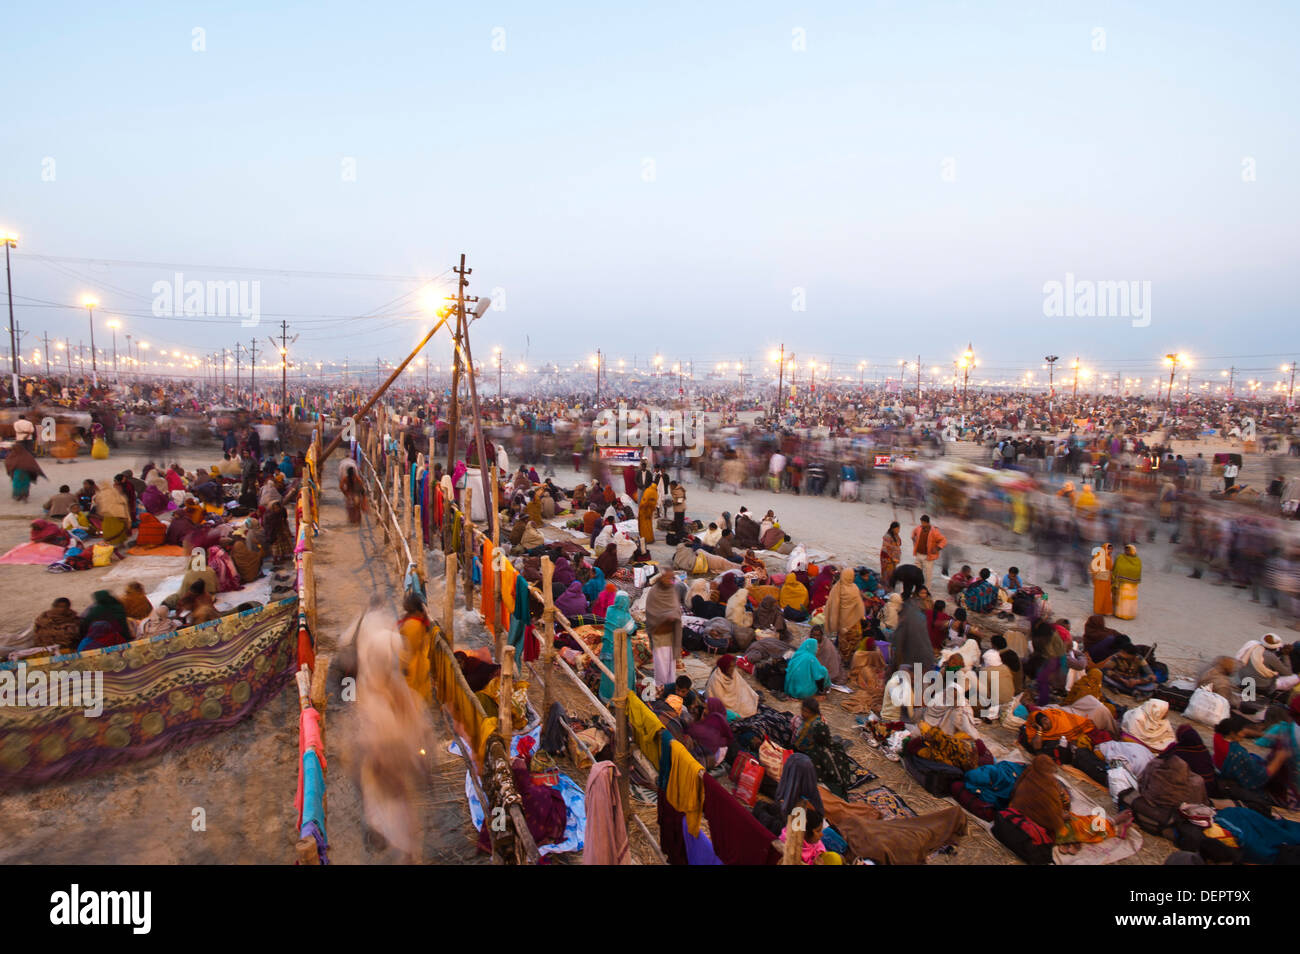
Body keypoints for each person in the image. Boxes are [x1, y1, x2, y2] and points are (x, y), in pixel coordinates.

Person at [793, 697, 858, 797]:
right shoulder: (805, 721)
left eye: (806, 712)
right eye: (802, 710)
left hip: (817, 752)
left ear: (813, 713)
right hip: (808, 750)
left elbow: (824, 742)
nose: (803, 713)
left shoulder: (819, 726)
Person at [645, 571, 683, 690]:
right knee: (661, 662)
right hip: (659, 633)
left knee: (670, 663)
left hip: (670, 633)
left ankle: (670, 685)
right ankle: (661, 687)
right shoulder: (654, 593)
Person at [599, 592, 637, 703]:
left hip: (608, 647)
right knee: (624, 672)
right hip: (621, 648)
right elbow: (632, 630)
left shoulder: (610, 610)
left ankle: (606, 697)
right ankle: (620, 699)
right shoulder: (625, 616)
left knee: (609, 673)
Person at [825, 567, 866, 669]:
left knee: (844, 645)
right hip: (854, 623)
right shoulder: (855, 588)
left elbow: (834, 607)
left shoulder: (838, 588)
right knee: (853, 643)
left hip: (843, 623)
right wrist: (862, 616)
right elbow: (860, 605)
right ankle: (850, 662)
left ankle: (844, 662)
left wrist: (832, 624)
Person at [910, 515, 946, 589]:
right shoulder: (919, 528)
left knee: (928, 575)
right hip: (918, 554)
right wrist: (914, 539)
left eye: (923, 522)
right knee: (917, 573)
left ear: (926, 522)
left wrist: (937, 548)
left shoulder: (934, 531)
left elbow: (943, 540)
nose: (922, 524)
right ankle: (918, 587)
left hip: (928, 557)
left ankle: (927, 589)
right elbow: (913, 533)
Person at [1112, 544, 1142, 620]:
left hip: (1131, 585)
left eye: (1129, 550)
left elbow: (1137, 571)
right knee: (1121, 598)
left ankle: (1128, 614)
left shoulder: (1137, 561)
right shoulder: (1120, 557)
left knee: (1128, 599)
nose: (1127, 551)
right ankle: (1119, 613)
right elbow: (1115, 568)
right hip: (1122, 583)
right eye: (1126, 549)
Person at [1090, 544, 1114, 616]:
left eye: (1111, 549)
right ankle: (1098, 611)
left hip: (1107, 579)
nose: (1110, 550)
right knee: (1099, 595)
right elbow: (1093, 565)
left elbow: (1110, 567)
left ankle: (1104, 610)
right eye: (1108, 549)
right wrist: (1096, 574)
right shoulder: (1099, 555)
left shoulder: (1109, 557)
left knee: (1106, 595)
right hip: (1100, 579)